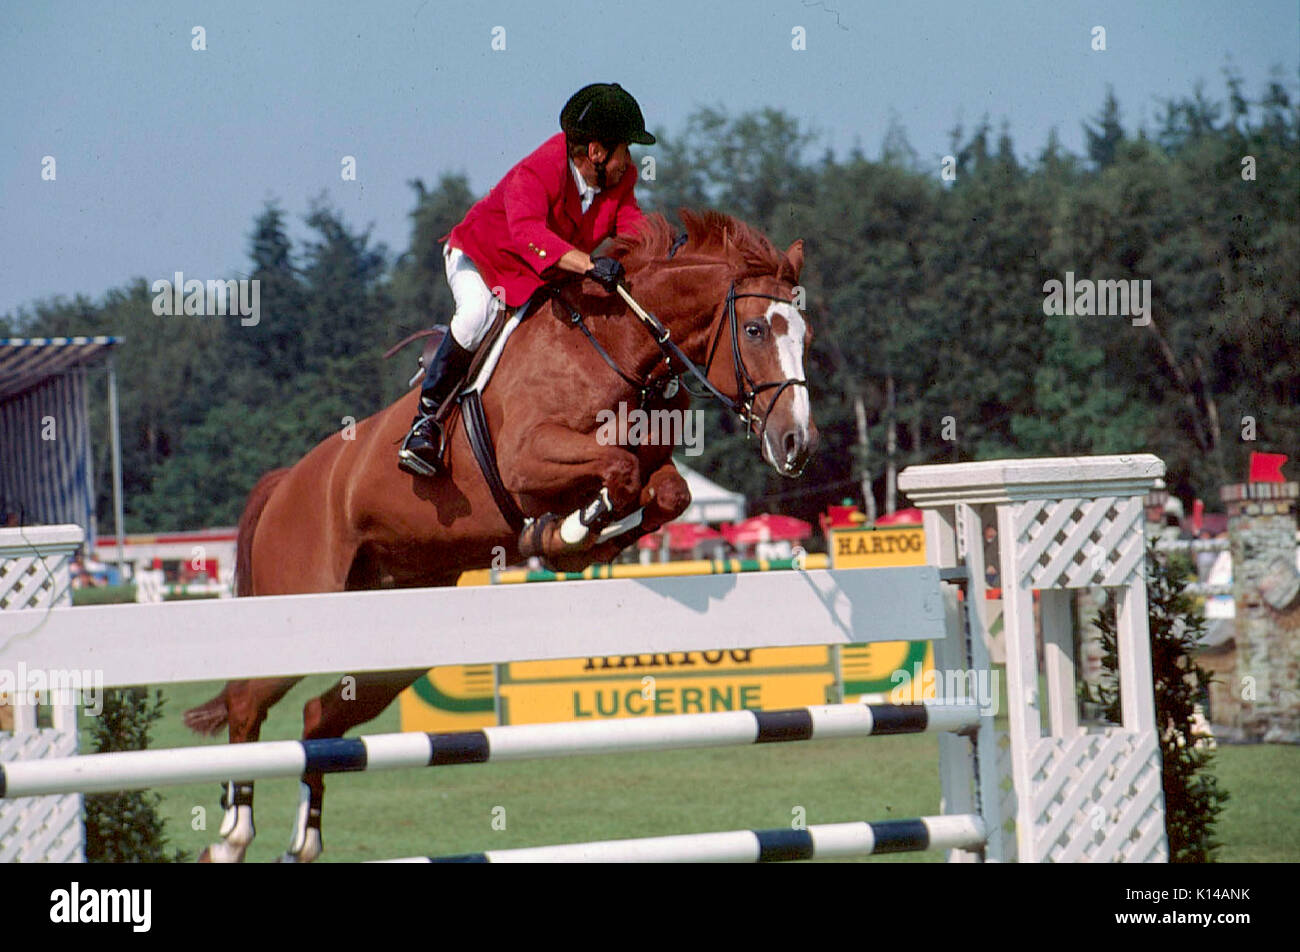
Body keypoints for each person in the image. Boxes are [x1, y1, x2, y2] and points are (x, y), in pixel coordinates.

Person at [398, 83, 655, 476]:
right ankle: (425, 421)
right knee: (476, 315)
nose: (629, 160)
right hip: (483, 261)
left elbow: (632, 225)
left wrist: (662, 249)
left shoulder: (620, 178)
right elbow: (528, 235)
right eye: (625, 148)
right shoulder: (539, 170)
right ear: (596, 152)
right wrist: (589, 265)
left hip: (542, 275)